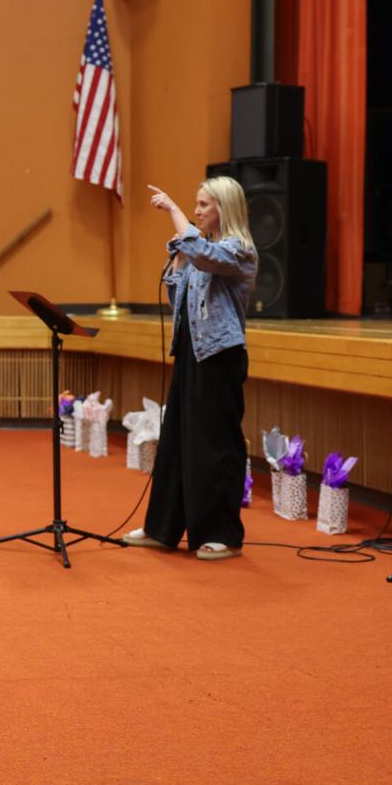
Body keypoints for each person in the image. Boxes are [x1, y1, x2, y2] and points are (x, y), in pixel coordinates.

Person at [123, 178, 257, 561]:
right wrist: (177, 267)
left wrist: (175, 214)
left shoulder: (238, 250)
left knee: (215, 445)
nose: (197, 211)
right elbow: (180, 294)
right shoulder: (204, 249)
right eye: (194, 205)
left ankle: (222, 534)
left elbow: (205, 258)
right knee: (177, 444)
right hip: (190, 352)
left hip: (220, 356)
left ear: (224, 209)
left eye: (203, 205)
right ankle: (163, 528)